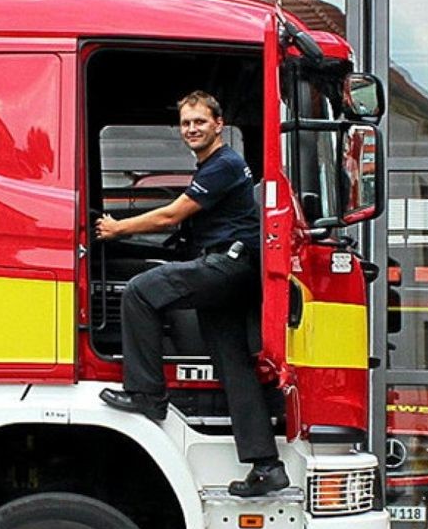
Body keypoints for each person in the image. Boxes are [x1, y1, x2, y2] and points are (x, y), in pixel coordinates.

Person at [96, 90, 288, 497]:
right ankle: (266, 466)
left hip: (228, 267)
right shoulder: (215, 167)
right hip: (234, 271)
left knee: (141, 291)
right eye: (186, 123)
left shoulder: (223, 165)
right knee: (233, 367)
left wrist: (117, 229)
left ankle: (147, 395)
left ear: (218, 124)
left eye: (199, 121)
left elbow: (172, 215)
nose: (192, 129)